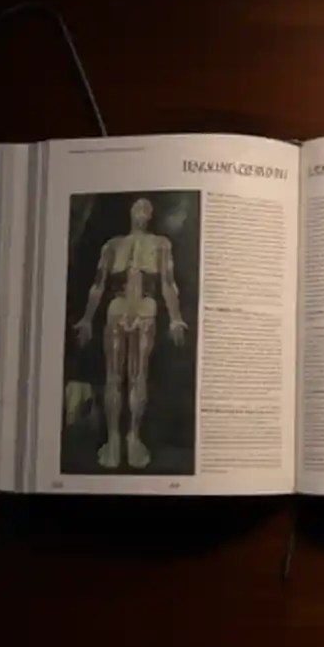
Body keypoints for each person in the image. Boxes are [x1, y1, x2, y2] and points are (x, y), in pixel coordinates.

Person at [73, 198, 187, 469]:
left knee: (138, 374)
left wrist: (176, 318)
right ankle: (113, 438)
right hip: (117, 307)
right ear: (130, 212)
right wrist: (87, 319)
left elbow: (168, 283)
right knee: (114, 375)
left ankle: (133, 436)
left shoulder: (161, 244)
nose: (142, 211)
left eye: (147, 208)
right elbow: (98, 284)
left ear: (151, 215)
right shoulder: (112, 245)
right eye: (138, 207)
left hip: (146, 309)